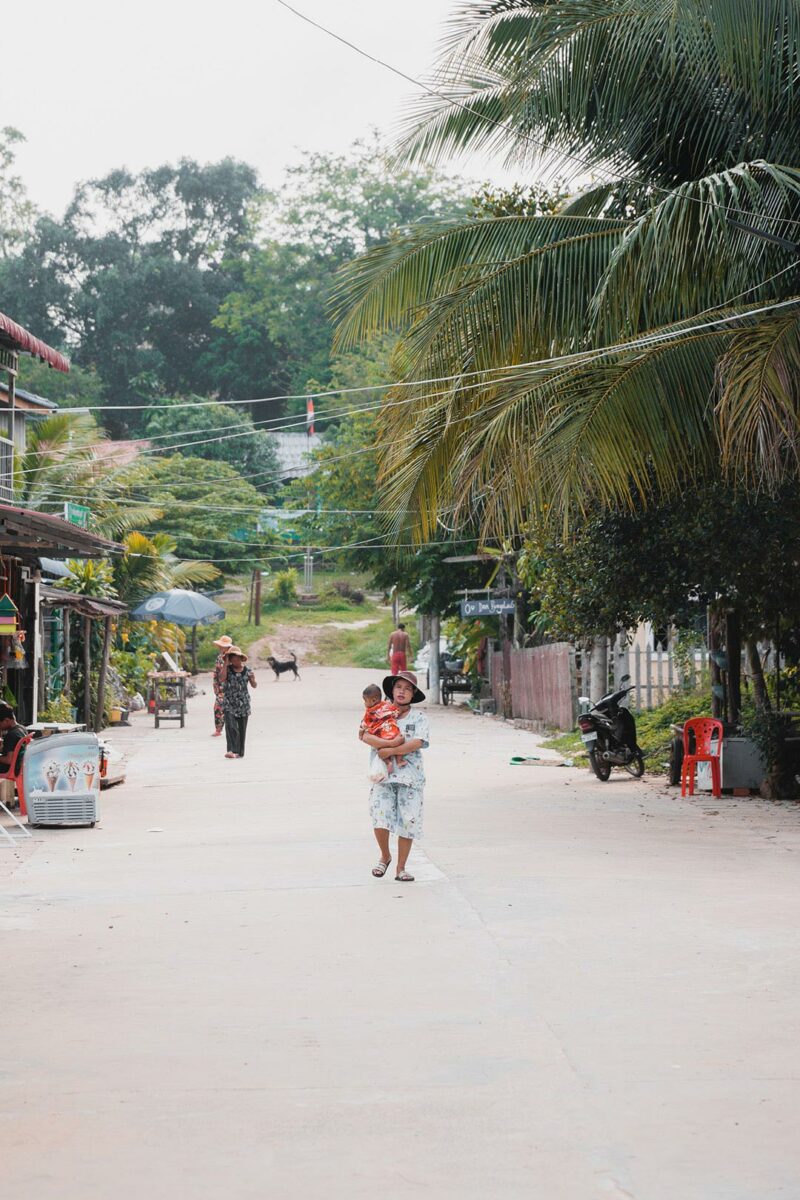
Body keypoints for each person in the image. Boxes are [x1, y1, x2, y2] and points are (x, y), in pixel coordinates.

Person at [359, 670, 429, 883]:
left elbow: (417, 742)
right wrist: (388, 744)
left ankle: (401, 868)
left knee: (408, 820)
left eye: (408, 689)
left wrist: (391, 752)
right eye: (399, 687)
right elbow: (364, 735)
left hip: (410, 777)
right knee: (380, 816)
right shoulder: (377, 710)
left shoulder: (419, 718)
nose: (402, 691)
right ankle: (385, 856)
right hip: (383, 775)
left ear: (413, 695)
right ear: (391, 690)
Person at [360, 684, 405, 780]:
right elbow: (395, 711)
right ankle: (399, 760)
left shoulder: (370, 711)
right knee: (400, 741)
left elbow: (365, 724)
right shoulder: (386, 705)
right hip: (392, 730)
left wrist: (361, 732)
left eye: (365, 700)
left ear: (373, 700)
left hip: (381, 734)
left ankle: (388, 762)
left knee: (380, 748)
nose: (364, 703)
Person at [219, 647, 257, 759]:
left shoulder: (248, 671)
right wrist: (225, 664)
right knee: (230, 726)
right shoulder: (227, 669)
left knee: (241, 728)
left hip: (243, 703)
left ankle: (239, 752)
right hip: (229, 702)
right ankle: (231, 750)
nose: (235, 662)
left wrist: (253, 679)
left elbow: (254, 686)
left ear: (241, 659)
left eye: (237, 659)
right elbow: (221, 679)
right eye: (233, 659)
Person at [211, 635, 233, 737]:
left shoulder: (234, 657)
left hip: (231, 688)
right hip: (220, 688)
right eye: (220, 646)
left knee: (230, 709)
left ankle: (232, 729)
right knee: (218, 707)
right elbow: (216, 673)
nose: (220, 648)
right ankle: (218, 729)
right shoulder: (219, 657)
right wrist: (215, 687)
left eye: (222, 646)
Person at [0, 702, 28, 774]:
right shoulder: (22, 728)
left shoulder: (11, 735)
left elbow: (9, 760)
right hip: (20, 767)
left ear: (7, 720)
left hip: (9, 769)